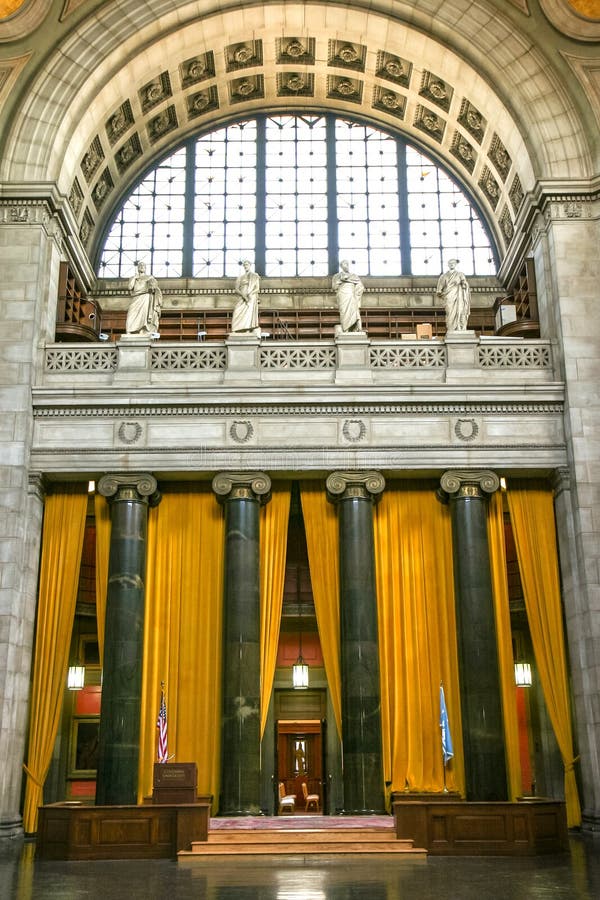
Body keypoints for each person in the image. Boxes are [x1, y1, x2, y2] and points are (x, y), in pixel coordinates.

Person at [125, 260, 162, 336]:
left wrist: (152, 287)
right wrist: (135, 278)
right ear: (137, 268)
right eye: (140, 266)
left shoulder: (149, 277)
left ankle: (143, 330)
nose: (142, 267)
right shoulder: (133, 278)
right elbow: (130, 287)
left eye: (143, 266)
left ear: (145, 268)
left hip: (145, 297)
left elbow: (154, 287)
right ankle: (129, 330)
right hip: (136, 297)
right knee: (131, 314)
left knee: (144, 315)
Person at [436, 258, 471, 332]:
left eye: (453, 263)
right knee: (449, 312)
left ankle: (459, 327)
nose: (452, 264)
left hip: (458, 296)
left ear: (455, 264)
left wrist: (463, 284)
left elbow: (464, 283)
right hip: (448, 296)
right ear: (448, 265)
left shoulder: (460, 274)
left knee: (460, 310)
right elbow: (439, 289)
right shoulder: (443, 276)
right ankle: (451, 328)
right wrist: (441, 292)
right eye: (450, 263)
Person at [332, 259, 364, 332]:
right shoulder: (337, 276)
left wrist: (356, 294)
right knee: (343, 311)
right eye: (344, 264)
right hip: (342, 295)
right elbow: (334, 287)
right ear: (341, 266)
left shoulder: (353, 276)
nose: (346, 265)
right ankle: (345, 329)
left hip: (351, 295)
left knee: (354, 311)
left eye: (347, 264)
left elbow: (361, 286)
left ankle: (355, 329)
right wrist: (341, 280)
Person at [232, 259, 260, 335]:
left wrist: (250, 294)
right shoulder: (240, 277)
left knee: (249, 313)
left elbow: (257, 288)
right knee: (237, 311)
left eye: (247, 264)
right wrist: (243, 296)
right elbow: (236, 289)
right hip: (242, 297)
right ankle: (236, 329)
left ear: (250, 265)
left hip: (251, 298)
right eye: (244, 265)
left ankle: (247, 329)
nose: (245, 266)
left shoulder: (255, 276)